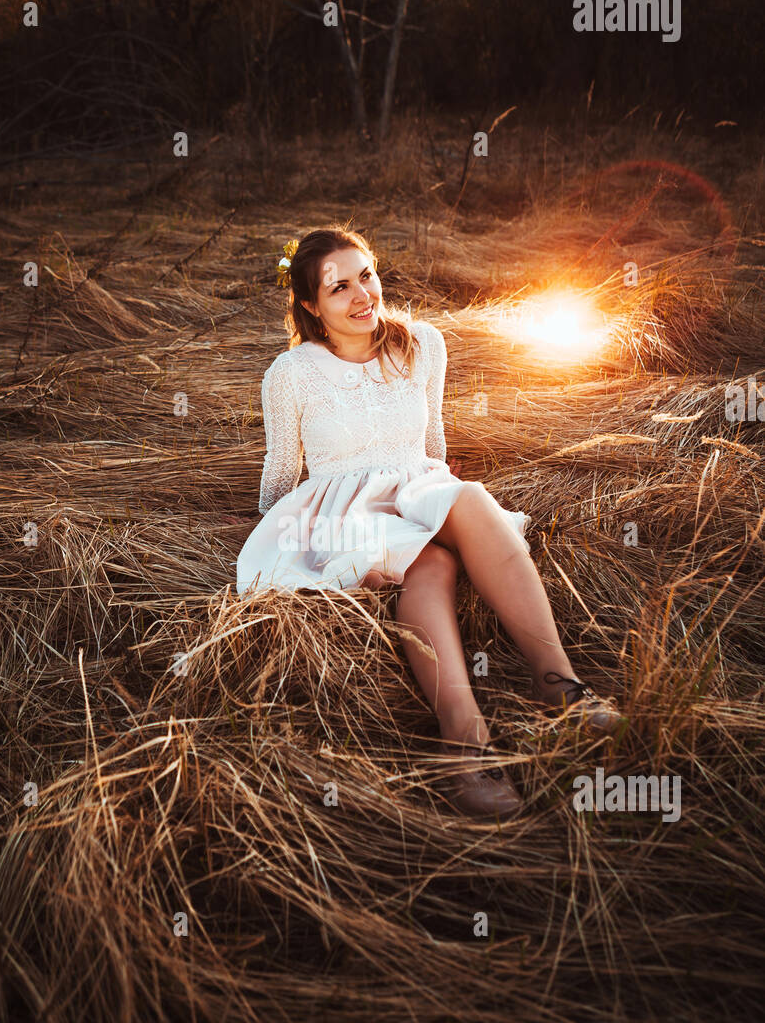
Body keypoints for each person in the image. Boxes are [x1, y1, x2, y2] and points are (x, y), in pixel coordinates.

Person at [236, 227, 622, 819]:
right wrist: (300, 545)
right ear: (311, 305)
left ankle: (559, 685)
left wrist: (439, 503)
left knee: (466, 496)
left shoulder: (424, 345)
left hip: (418, 483)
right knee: (429, 561)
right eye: (339, 288)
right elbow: (282, 474)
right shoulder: (290, 374)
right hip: (345, 507)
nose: (362, 295)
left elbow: (434, 445)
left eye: (366, 275)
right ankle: (465, 745)